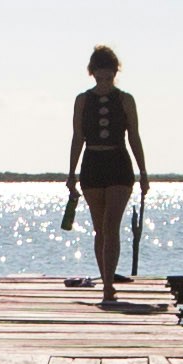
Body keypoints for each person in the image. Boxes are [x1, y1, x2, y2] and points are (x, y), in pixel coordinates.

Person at [61, 45, 149, 305]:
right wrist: (71, 173)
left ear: (115, 73)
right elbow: (78, 137)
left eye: (108, 78)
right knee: (100, 229)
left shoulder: (125, 100)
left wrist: (143, 171)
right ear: (92, 74)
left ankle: (108, 285)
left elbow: (134, 136)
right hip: (92, 164)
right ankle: (106, 280)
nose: (103, 83)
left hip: (119, 163)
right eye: (99, 78)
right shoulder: (83, 100)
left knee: (112, 226)